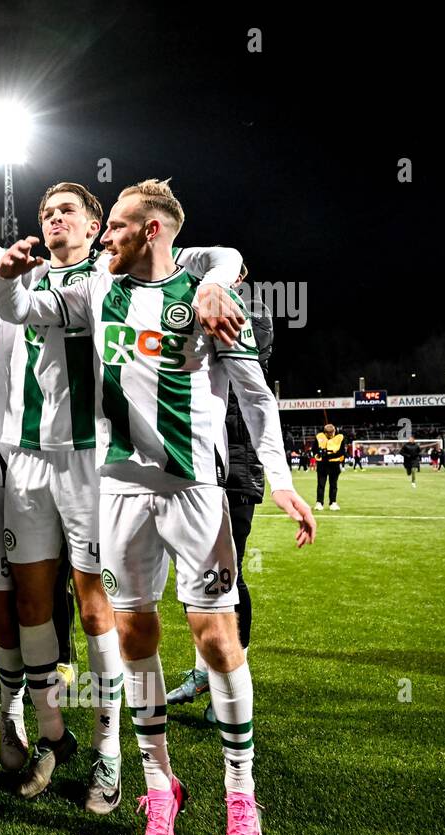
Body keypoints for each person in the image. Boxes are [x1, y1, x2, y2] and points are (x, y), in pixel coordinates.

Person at [0, 129, 244, 802]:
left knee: (97, 606)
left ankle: (110, 751)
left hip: (93, 463)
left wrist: (216, 282)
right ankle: (51, 735)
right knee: (34, 603)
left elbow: (220, 253)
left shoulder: (115, 276)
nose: (54, 220)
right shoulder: (22, 280)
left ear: (99, 227)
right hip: (24, 464)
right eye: (47, 213)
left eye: (68, 210)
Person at [0, 177, 315, 835]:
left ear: (154, 233)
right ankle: (159, 785)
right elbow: (23, 309)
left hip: (196, 491)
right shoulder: (94, 292)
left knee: (218, 640)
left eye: (115, 225)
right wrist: (6, 276)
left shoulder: (208, 301)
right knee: (137, 637)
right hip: (118, 494)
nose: (102, 235)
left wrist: (283, 482)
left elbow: (256, 401)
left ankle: (239, 795)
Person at [168, 268, 275, 723]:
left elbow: (244, 360)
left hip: (236, 465)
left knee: (227, 578)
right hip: (192, 462)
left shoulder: (253, 311)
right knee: (196, 578)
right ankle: (202, 670)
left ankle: (225, 681)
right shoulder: (184, 303)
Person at [314, 423, 345, 510]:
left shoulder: (340, 437)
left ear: (334, 430)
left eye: (332, 432)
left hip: (334, 464)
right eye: (328, 433)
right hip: (322, 464)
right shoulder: (319, 436)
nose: (331, 434)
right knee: (321, 484)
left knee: (333, 485)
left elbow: (342, 452)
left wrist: (328, 456)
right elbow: (314, 449)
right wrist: (319, 453)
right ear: (325, 432)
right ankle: (319, 503)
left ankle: (333, 503)